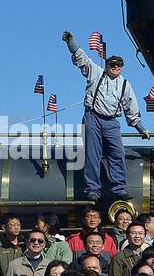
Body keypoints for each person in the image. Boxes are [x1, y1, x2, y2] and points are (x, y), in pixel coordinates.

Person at [61, 31, 148, 201]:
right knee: (92, 154)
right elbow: (82, 59)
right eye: (112, 65)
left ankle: (118, 188)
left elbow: (131, 107)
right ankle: (93, 189)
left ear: (121, 67)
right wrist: (72, 43)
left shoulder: (125, 84)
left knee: (117, 152)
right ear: (107, 65)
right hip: (92, 117)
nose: (115, 68)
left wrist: (140, 127)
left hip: (112, 122)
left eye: (118, 66)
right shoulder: (96, 72)